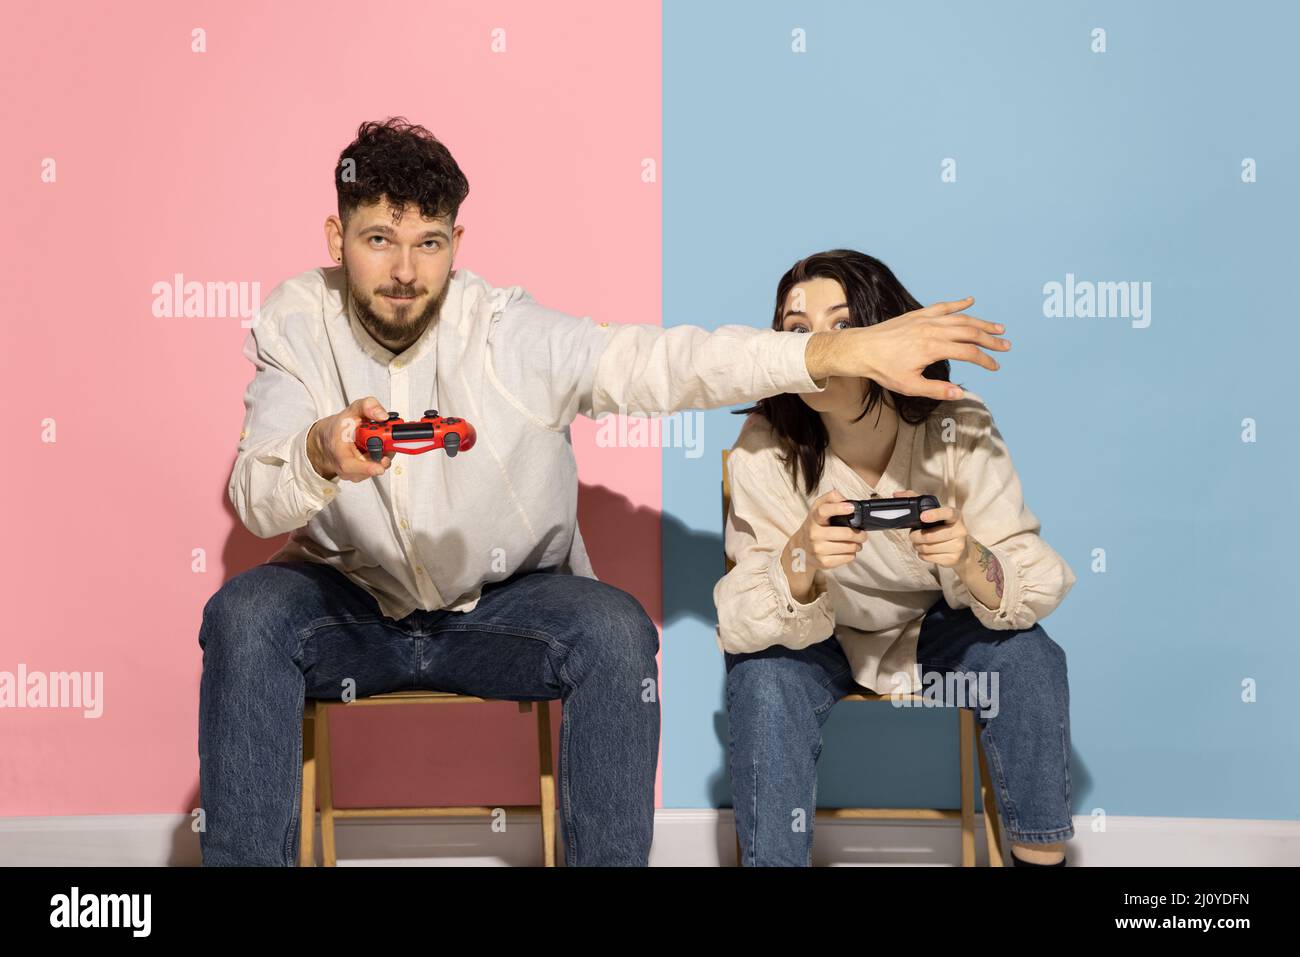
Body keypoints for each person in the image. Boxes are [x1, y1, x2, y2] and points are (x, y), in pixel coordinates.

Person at [198, 117, 1010, 866]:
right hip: (351, 611)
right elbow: (256, 499)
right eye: (380, 239)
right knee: (245, 613)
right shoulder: (296, 322)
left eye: (430, 242)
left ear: (458, 241)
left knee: (619, 633)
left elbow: (663, 363)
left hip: (506, 611)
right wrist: (319, 451)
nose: (407, 271)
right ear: (336, 236)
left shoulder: (505, 333)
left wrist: (834, 354)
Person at [714, 249, 1076, 867]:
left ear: (888, 331)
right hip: (817, 634)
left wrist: (966, 555)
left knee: (1030, 658)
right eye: (798, 329)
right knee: (762, 678)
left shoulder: (959, 426)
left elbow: (1027, 576)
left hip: (936, 630)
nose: (822, 345)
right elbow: (742, 622)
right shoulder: (764, 445)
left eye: (844, 325)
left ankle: (1040, 856)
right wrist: (800, 557)